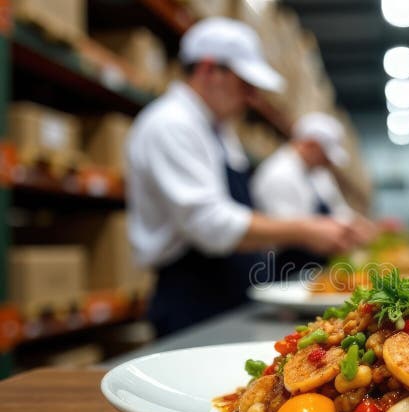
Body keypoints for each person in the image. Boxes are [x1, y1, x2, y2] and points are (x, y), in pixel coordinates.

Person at [126, 18, 357, 337]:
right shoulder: (169, 125)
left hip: (228, 293)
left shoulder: (218, 132)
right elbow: (209, 224)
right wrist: (304, 229)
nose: (251, 98)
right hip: (192, 301)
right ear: (209, 70)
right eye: (245, 85)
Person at [251, 112, 377, 273]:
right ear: (310, 145)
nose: (327, 163)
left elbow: (338, 210)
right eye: (325, 156)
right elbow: (288, 232)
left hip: (314, 265)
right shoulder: (278, 175)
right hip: (286, 269)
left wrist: (358, 226)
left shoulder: (318, 174)